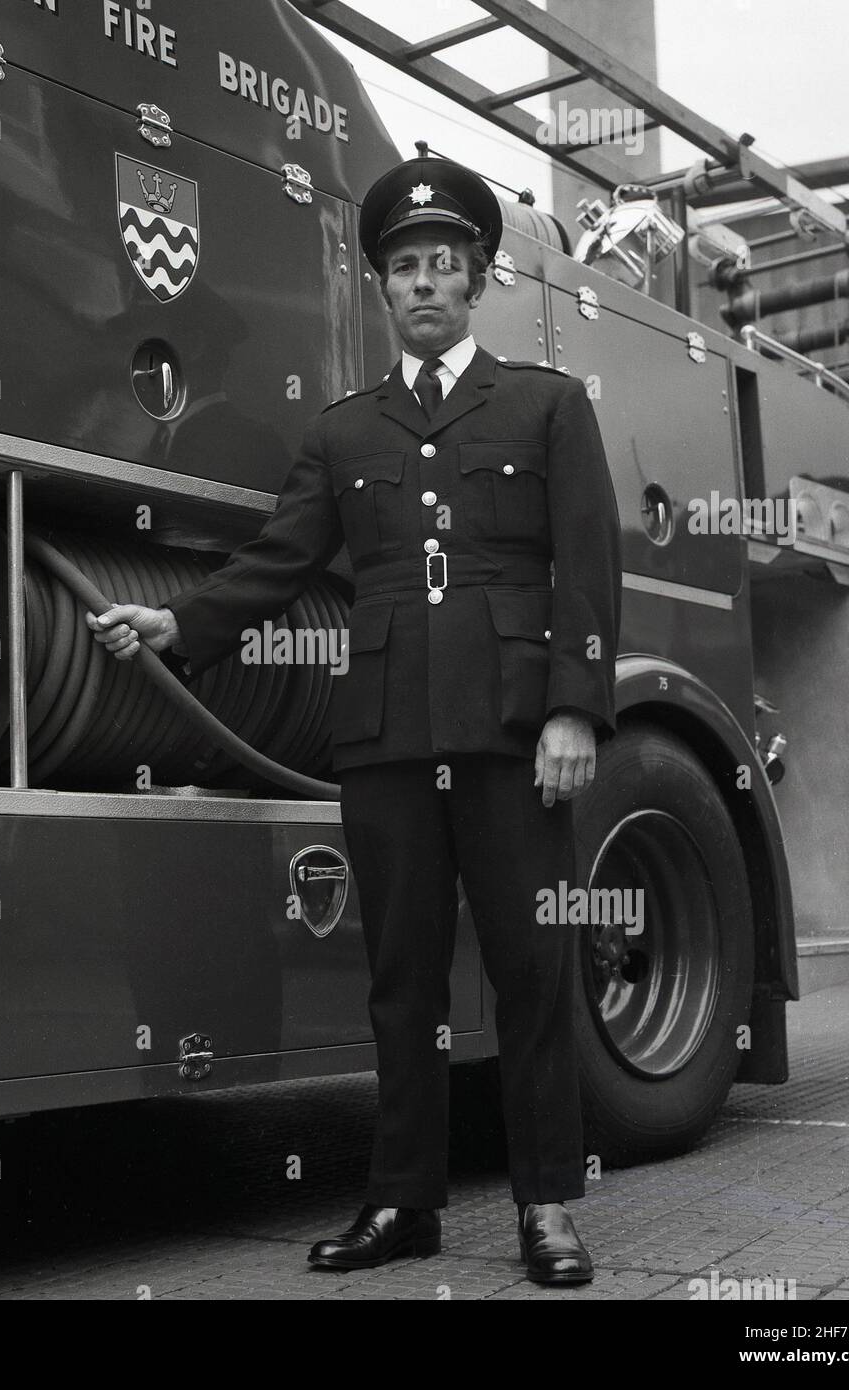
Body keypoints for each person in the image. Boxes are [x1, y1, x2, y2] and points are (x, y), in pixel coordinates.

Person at [87, 154, 622, 1285]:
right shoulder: (342, 433)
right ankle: (402, 1205)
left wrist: (574, 712)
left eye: (443, 265)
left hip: (512, 733)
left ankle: (544, 1206)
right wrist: (180, 626)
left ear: (475, 280)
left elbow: (585, 568)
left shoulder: (546, 404)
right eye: (402, 269)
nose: (423, 283)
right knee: (400, 980)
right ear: (381, 290)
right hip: (383, 739)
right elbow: (277, 563)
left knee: (530, 966)